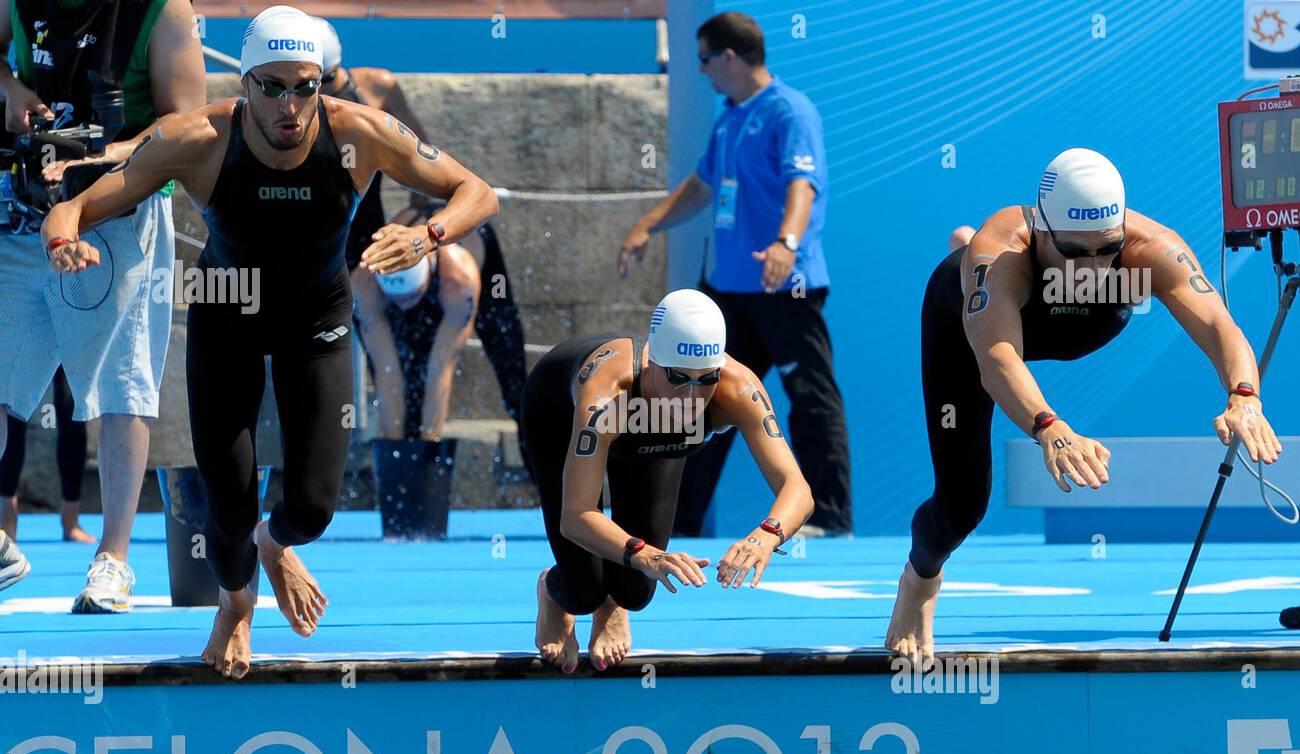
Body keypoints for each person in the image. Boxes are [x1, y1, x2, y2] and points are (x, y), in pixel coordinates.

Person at [42, 5, 498, 678]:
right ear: (245, 83)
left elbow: (476, 191)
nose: (290, 105)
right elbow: (79, 203)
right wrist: (63, 235)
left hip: (315, 324)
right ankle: (235, 602)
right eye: (272, 86)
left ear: (322, 83)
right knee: (225, 515)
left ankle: (274, 544)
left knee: (311, 511)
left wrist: (427, 234)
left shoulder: (359, 132)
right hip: (226, 320)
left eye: (305, 86)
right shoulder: (195, 138)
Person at [887, 148, 1282, 662]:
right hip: (977, 329)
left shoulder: (1150, 248)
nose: (1093, 267)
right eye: (1075, 253)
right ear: (1044, 231)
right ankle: (920, 580)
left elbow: (1216, 324)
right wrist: (1048, 426)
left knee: (1118, 280)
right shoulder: (1007, 246)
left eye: (1107, 248)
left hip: (1083, 325)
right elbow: (999, 359)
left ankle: (981, 259)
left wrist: (1244, 395)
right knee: (963, 504)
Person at [0, 0, 205, 608]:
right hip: (24, 202)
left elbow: (190, 125)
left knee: (122, 383)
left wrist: (108, 154)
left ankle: (113, 558)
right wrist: (9, 87)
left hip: (122, 211)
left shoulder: (164, 11)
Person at [618, 10, 850, 538]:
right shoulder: (729, 117)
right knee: (696, 401)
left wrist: (785, 244)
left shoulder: (790, 112)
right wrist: (647, 226)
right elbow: (701, 187)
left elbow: (803, 186)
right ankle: (679, 522)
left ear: (729, 56)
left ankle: (829, 516)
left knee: (811, 398)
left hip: (782, 284)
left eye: (703, 59)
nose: (700, 71)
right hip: (728, 294)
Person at [522, 288, 814, 673]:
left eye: (706, 379)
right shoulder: (610, 394)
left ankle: (612, 606)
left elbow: (798, 489)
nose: (691, 396)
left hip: (650, 444)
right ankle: (552, 591)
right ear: (652, 363)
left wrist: (766, 535)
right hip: (557, 413)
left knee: (635, 591)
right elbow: (575, 515)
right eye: (678, 378)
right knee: (582, 590)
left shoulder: (738, 388)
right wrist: (648, 554)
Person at [315, 18, 530, 471]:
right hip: (368, 240)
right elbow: (387, 374)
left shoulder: (458, 281)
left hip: (451, 249)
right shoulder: (369, 280)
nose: (323, 94)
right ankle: (397, 453)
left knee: (503, 356)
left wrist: (428, 451)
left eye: (329, 80)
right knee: (391, 365)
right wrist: (397, 458)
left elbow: (443, 370)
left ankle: (535, 463)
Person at [354, 213, 480, 440]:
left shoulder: (457, 282)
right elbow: (386, 368)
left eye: (410, 298)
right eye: (397, 300)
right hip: (407, 281)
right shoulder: (365, 286)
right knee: (397, 371)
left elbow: (441, 366)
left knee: (507, 365)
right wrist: (394, 448)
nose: (403, 307)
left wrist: (429, 445)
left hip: (457, 276)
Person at [0, 367, 96, 544]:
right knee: (13, 406)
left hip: (68, 340)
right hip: (24, 340)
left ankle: (71, 519)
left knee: (72, 404)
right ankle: (6, 514)